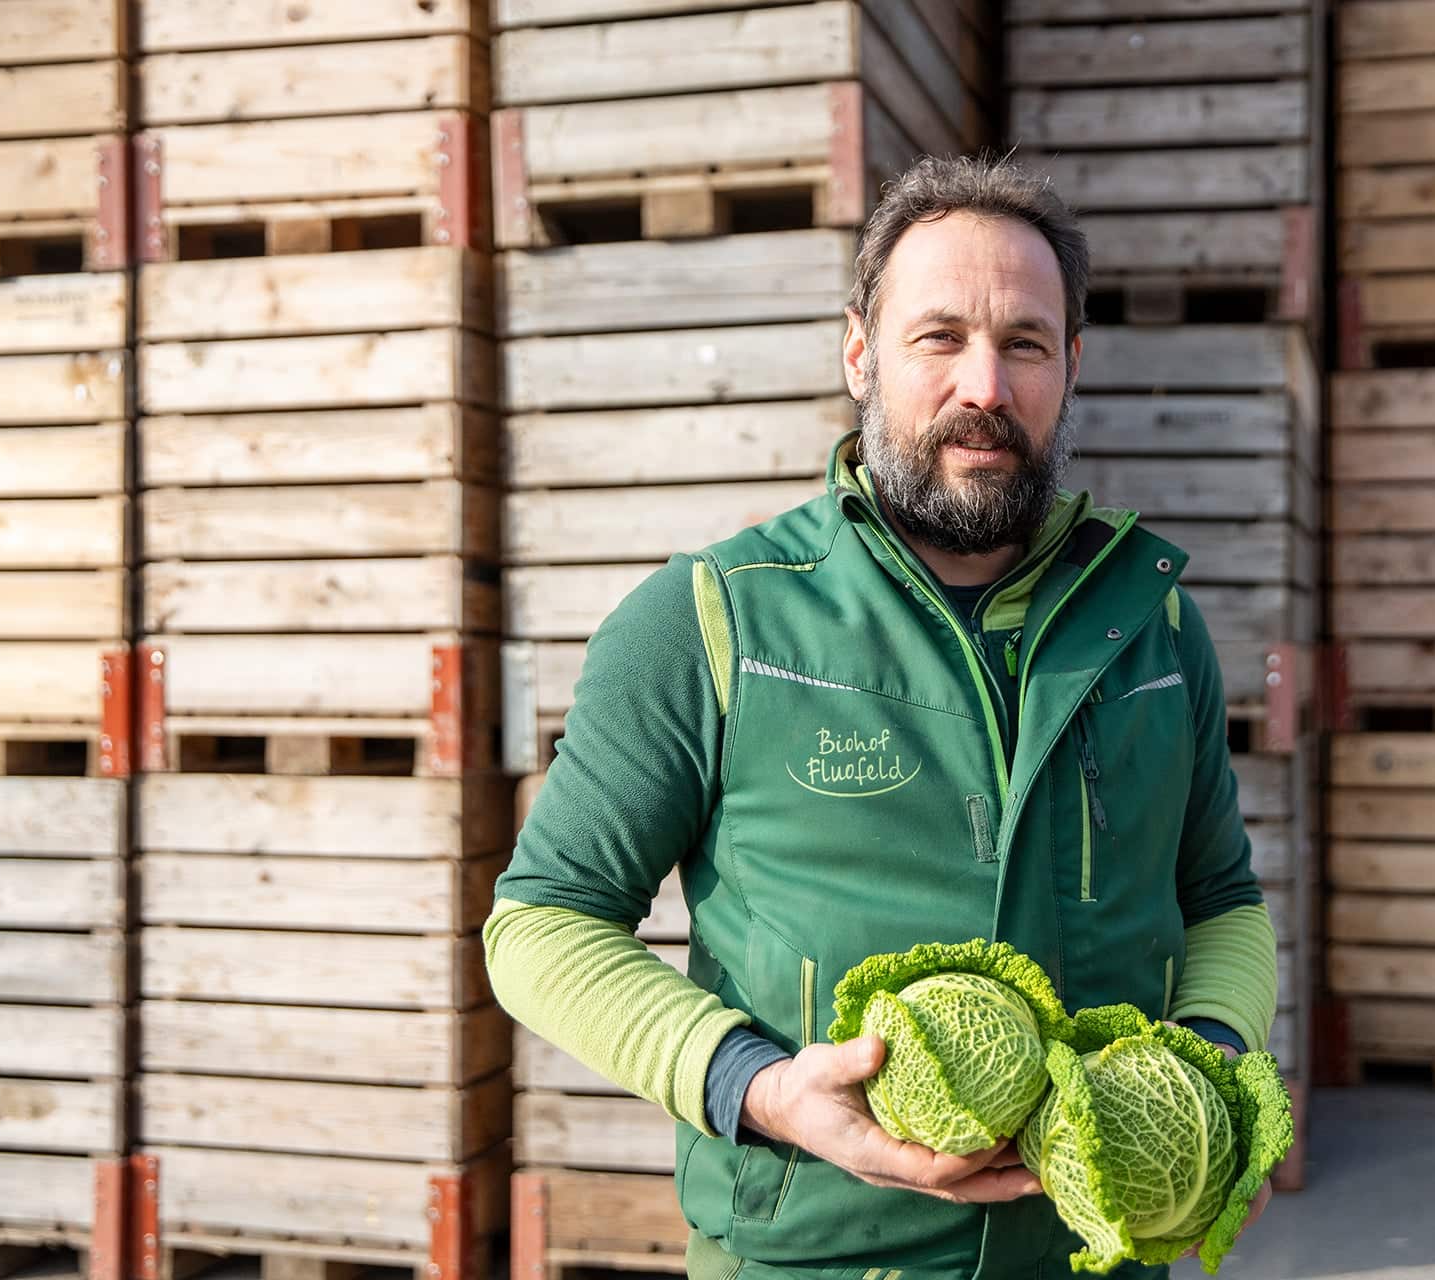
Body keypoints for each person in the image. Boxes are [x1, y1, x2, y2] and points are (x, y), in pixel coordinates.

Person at [485, 154, 1279, 1280]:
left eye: (1026, 343)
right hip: (814, 1259)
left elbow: (1225, 904)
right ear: (860, 350)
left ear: (1073, 368)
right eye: (940, 336)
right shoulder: (710, 618)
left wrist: (1196, 1064)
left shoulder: (1155, 629)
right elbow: (540, 925)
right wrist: (756, 1085)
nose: (986, 387)